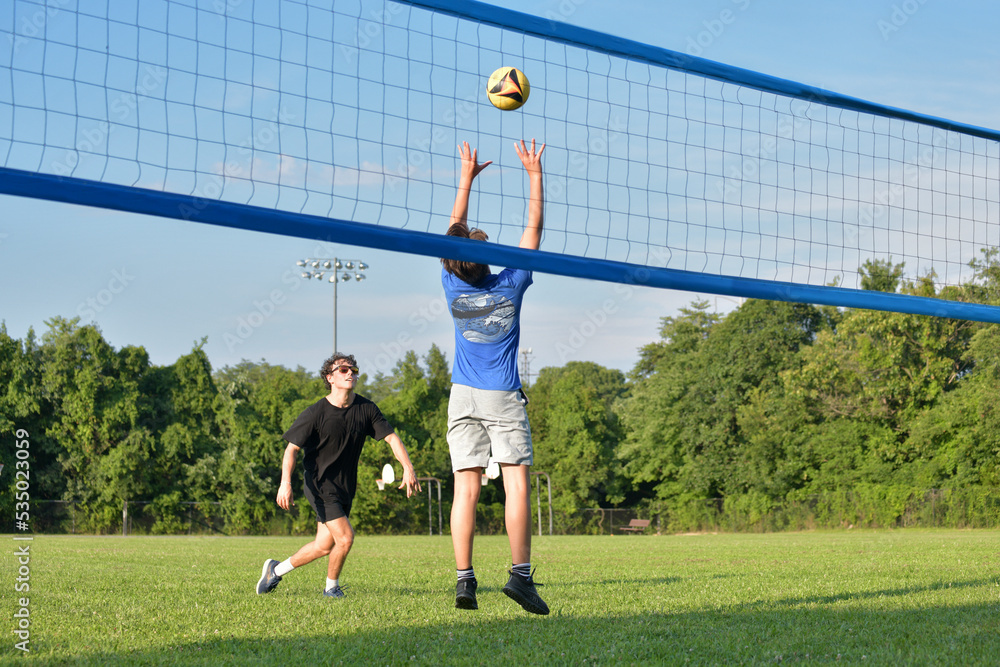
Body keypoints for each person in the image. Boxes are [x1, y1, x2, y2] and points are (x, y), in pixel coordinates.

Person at [441, 139, 549, 615]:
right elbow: (533, 232)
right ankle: (520, 577)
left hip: (461, 395)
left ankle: (465, 580)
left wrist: (465, 178)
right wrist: (534, 175)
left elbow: (451, 234)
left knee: (465, 488)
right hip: (502, 394)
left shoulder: (450, 284)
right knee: (516, 484)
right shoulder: (511, 283)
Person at [255, 353, 421, 598]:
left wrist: (407, 466)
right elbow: (291, 450)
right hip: (319, 485)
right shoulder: (315, 413)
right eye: (343, 370)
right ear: (329, 377)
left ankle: (275, 570)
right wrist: (285, 483)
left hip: (345, 487)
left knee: (323, 546)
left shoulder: (366, 408)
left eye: (353, 369)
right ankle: (331, 588)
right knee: (345, 538)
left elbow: (391, 437)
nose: (350, 373)